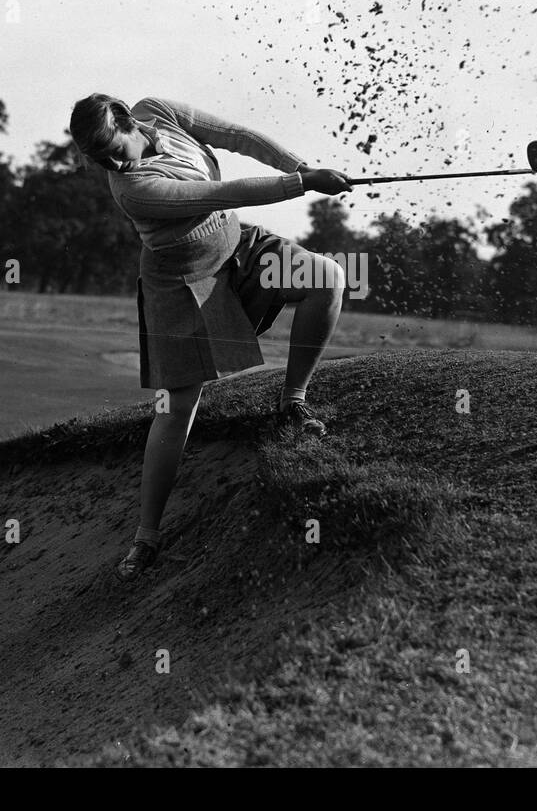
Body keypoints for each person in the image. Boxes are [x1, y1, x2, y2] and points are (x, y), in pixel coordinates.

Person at [67, 93, 354, 580]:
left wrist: (300, 165)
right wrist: (301, 183)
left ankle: (293, 401)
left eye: (114, 148)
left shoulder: (159, 110)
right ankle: (147, 536)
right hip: (179, 279)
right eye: (100, 160)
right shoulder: (132, 188)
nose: (111, 163)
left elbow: (238, 137)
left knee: (327, 278)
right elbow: (222, 194)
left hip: (235, 243)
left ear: (127, 119)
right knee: (177, 408)